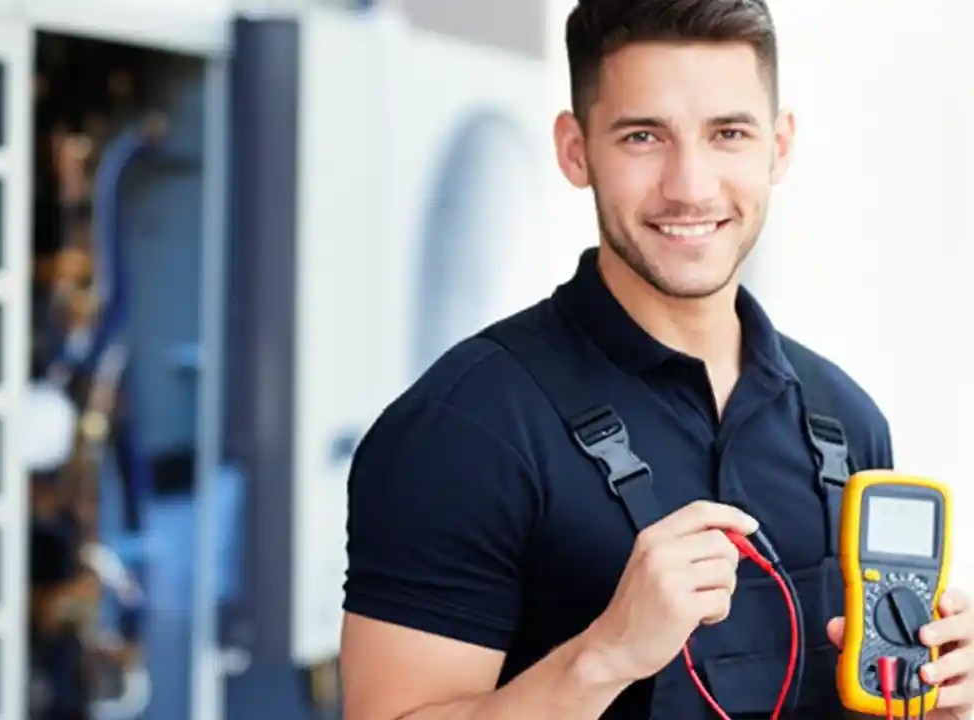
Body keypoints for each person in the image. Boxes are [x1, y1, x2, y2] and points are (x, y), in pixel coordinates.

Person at [338, 1, 974, 718]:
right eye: (644, 136)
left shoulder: (845, 422)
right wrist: (604, 655)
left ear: (780, 146)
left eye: (728, 133)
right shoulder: (461, 429)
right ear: (576, 150)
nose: (691, 186)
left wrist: (939, 706)